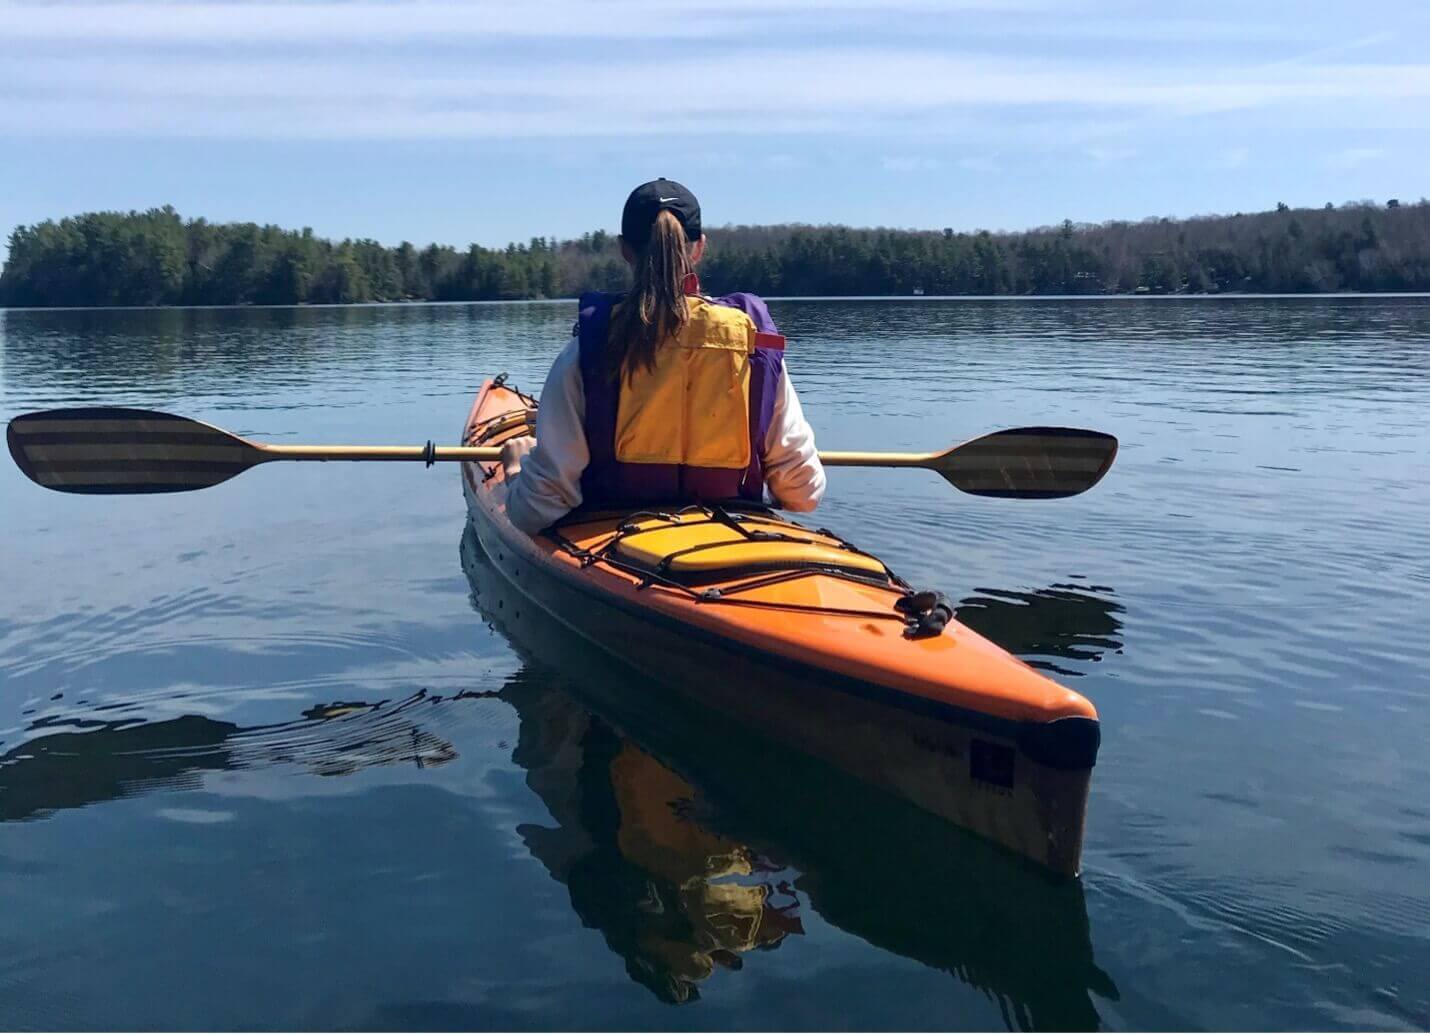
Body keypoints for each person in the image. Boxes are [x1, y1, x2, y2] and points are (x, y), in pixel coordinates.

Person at [501, 178, 825, 534]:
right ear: (699, 248)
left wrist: (515, 472)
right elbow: (803, 493)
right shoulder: (752, 344)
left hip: (616, 534)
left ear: (625, 250)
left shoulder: (588, 348)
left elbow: (537, 508)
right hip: (735, 530)